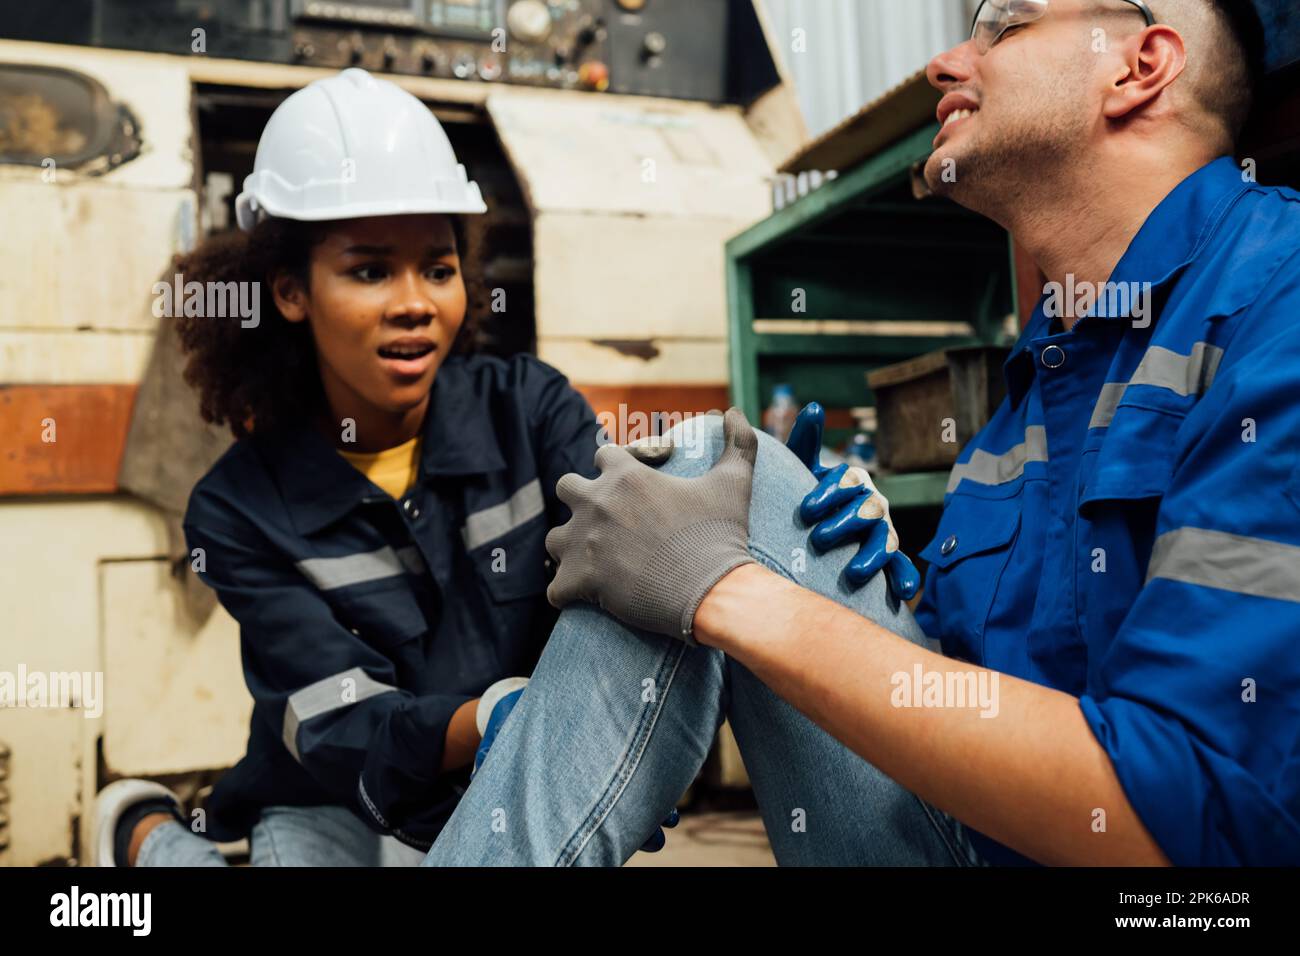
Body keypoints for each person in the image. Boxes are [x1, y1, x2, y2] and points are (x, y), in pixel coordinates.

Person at [420, 0, 1300, 866]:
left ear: (1139, 66)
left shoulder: (1277, 301)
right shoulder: (1044, 372)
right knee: (731, 481)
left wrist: (733, 590)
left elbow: (1197, 825)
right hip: (976, 839)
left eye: (1005, 25)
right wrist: (854, 578)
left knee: (717, 516)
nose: (946, 64)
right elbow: (970, 683)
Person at [92, 68, 681, 866]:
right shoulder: (238, 510)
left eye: (437, 269)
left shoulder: (531, 411)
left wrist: (751, 509)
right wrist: (500, 719)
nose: (414, 302)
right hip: (330, 788)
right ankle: (144, 834)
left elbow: (635, 550)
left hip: (504, 769)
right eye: (370, 270)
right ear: (293, 292)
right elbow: (341, 723)